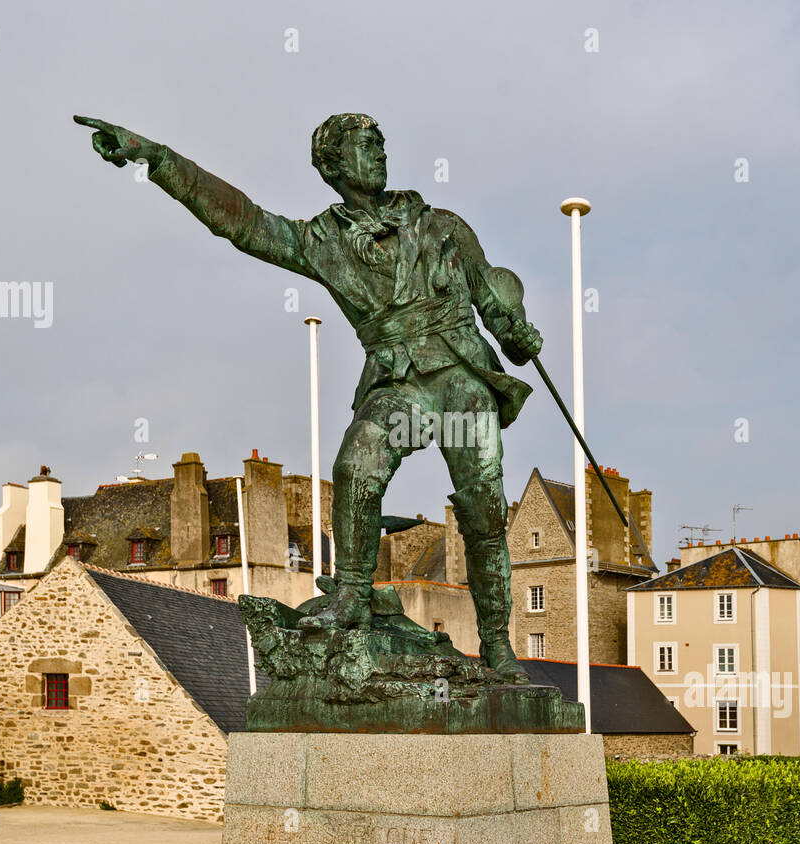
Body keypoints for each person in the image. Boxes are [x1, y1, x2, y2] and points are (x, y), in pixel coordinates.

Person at [75, 112, 543, 682]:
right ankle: (350, 593)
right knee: (354, 467)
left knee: (483, 513)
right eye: (364, 145)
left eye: (381, 142)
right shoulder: (320, 240)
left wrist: (515, 328)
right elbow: (241, 221)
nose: (379, 152)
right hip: (397, 381)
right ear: (332, 165)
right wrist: (157, 158)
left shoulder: (443, 226)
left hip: (461, 376)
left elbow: (499, 306)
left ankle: (497, 646)